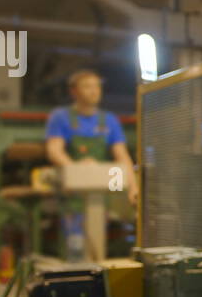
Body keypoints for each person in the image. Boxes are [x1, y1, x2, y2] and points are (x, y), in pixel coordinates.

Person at [45, 69, 137, 204]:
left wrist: (133, 187)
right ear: (74, 91)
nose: (94, 91)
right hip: (71, 190)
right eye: (87, 86)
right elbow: (54, 151)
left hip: (102, 187)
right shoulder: (60, 117)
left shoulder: (110, 120)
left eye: (97, 86)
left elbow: (122, 156)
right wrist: (77, 169)